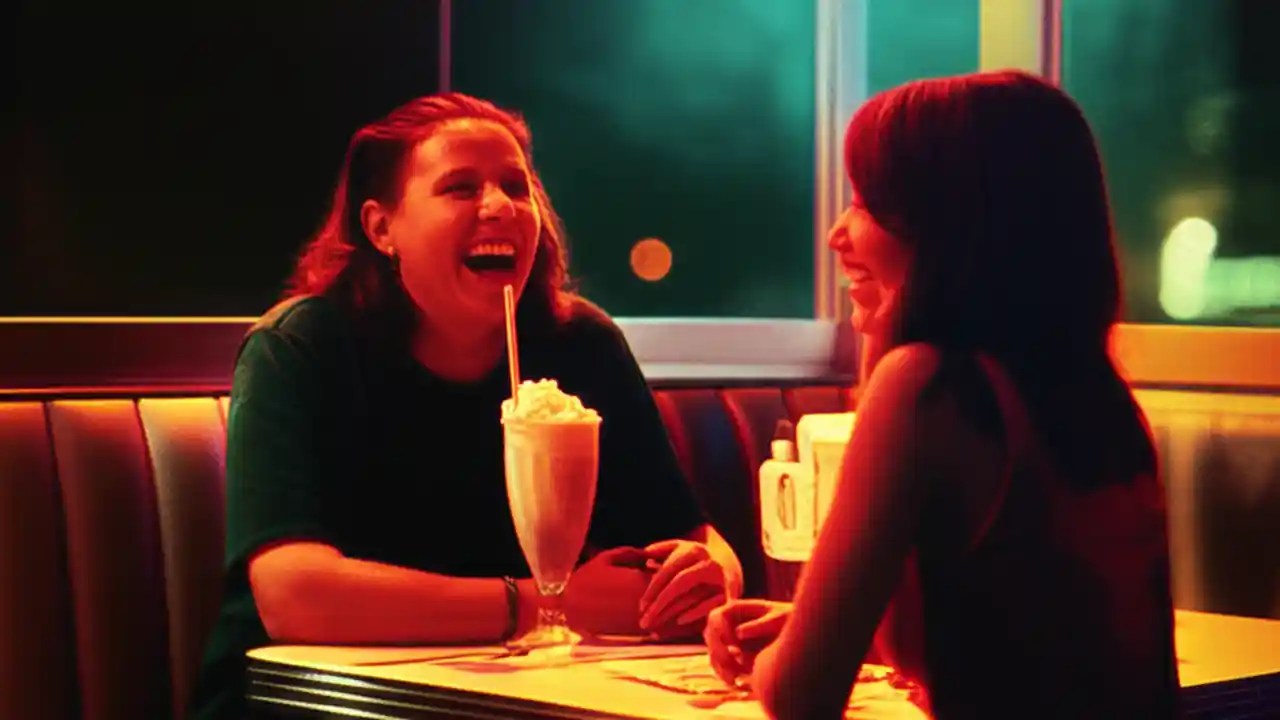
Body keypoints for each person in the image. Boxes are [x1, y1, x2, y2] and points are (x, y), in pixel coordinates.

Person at [189, 92, 743, 720]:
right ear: (381, 228)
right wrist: (549, 605)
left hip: (516, 698)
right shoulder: (300, 349)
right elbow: (294, 595)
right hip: (311, 705)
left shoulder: (580, 346)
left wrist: (708, 577)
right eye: (460, 188)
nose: (500, 207)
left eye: (516, 186)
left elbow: (695, 539)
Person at [704, 70, 1179, 719]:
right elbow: (1032, 638)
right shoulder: (1100, 399)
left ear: (949, 221)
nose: (836, 234)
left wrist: (776, 661)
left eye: (867, 203)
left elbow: (799, 698)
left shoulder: (928, 388)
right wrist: (819, 625)